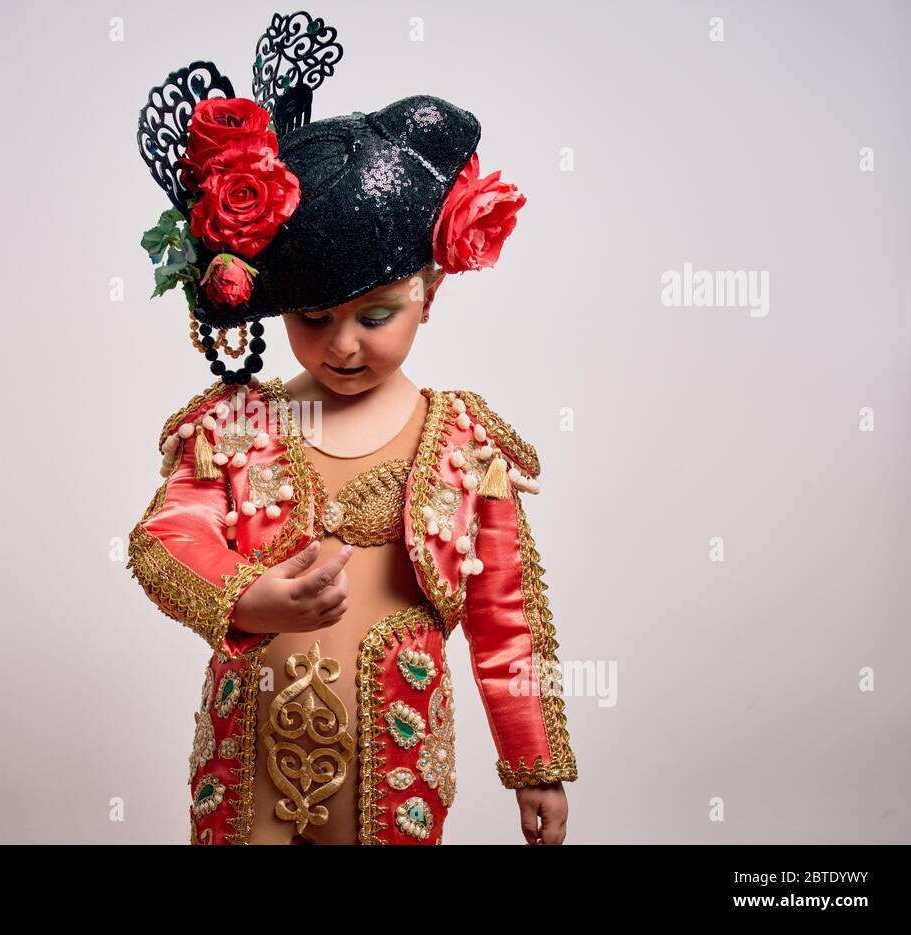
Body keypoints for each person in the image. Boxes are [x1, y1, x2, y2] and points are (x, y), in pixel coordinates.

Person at [127, 10, 577, 845]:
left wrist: (535, 759)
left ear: (430, 293)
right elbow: (164, 538)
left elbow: (504, 613)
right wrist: (247, 594)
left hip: (396, 760)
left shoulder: (463, 443)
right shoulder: (239, 425)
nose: (342, 344)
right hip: (246, 757)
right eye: (312, 315)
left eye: (375, 313)